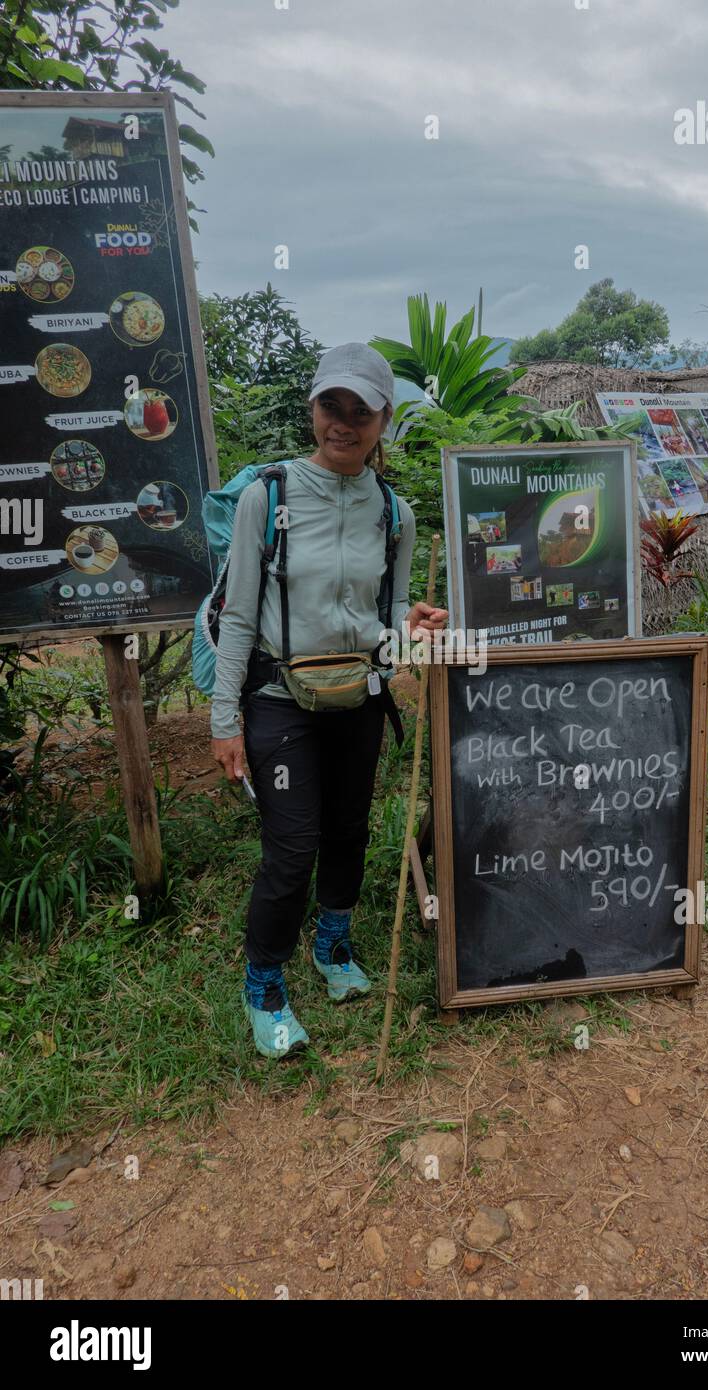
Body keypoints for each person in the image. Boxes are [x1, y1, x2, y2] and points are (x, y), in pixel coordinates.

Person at [210, 343, 448, 1059]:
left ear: (384, 420)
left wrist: (409, 634)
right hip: (281, 696)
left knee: (348, 831)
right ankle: (265, 985)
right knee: (292, 848)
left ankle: (334, 945)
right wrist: (226, 719)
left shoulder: (395, 513)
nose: (343, 424)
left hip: (361, 695)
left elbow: (390, 614)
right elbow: (241, 618)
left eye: (361, 411)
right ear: (312, 408)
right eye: (331, 407)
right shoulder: (269, 497)